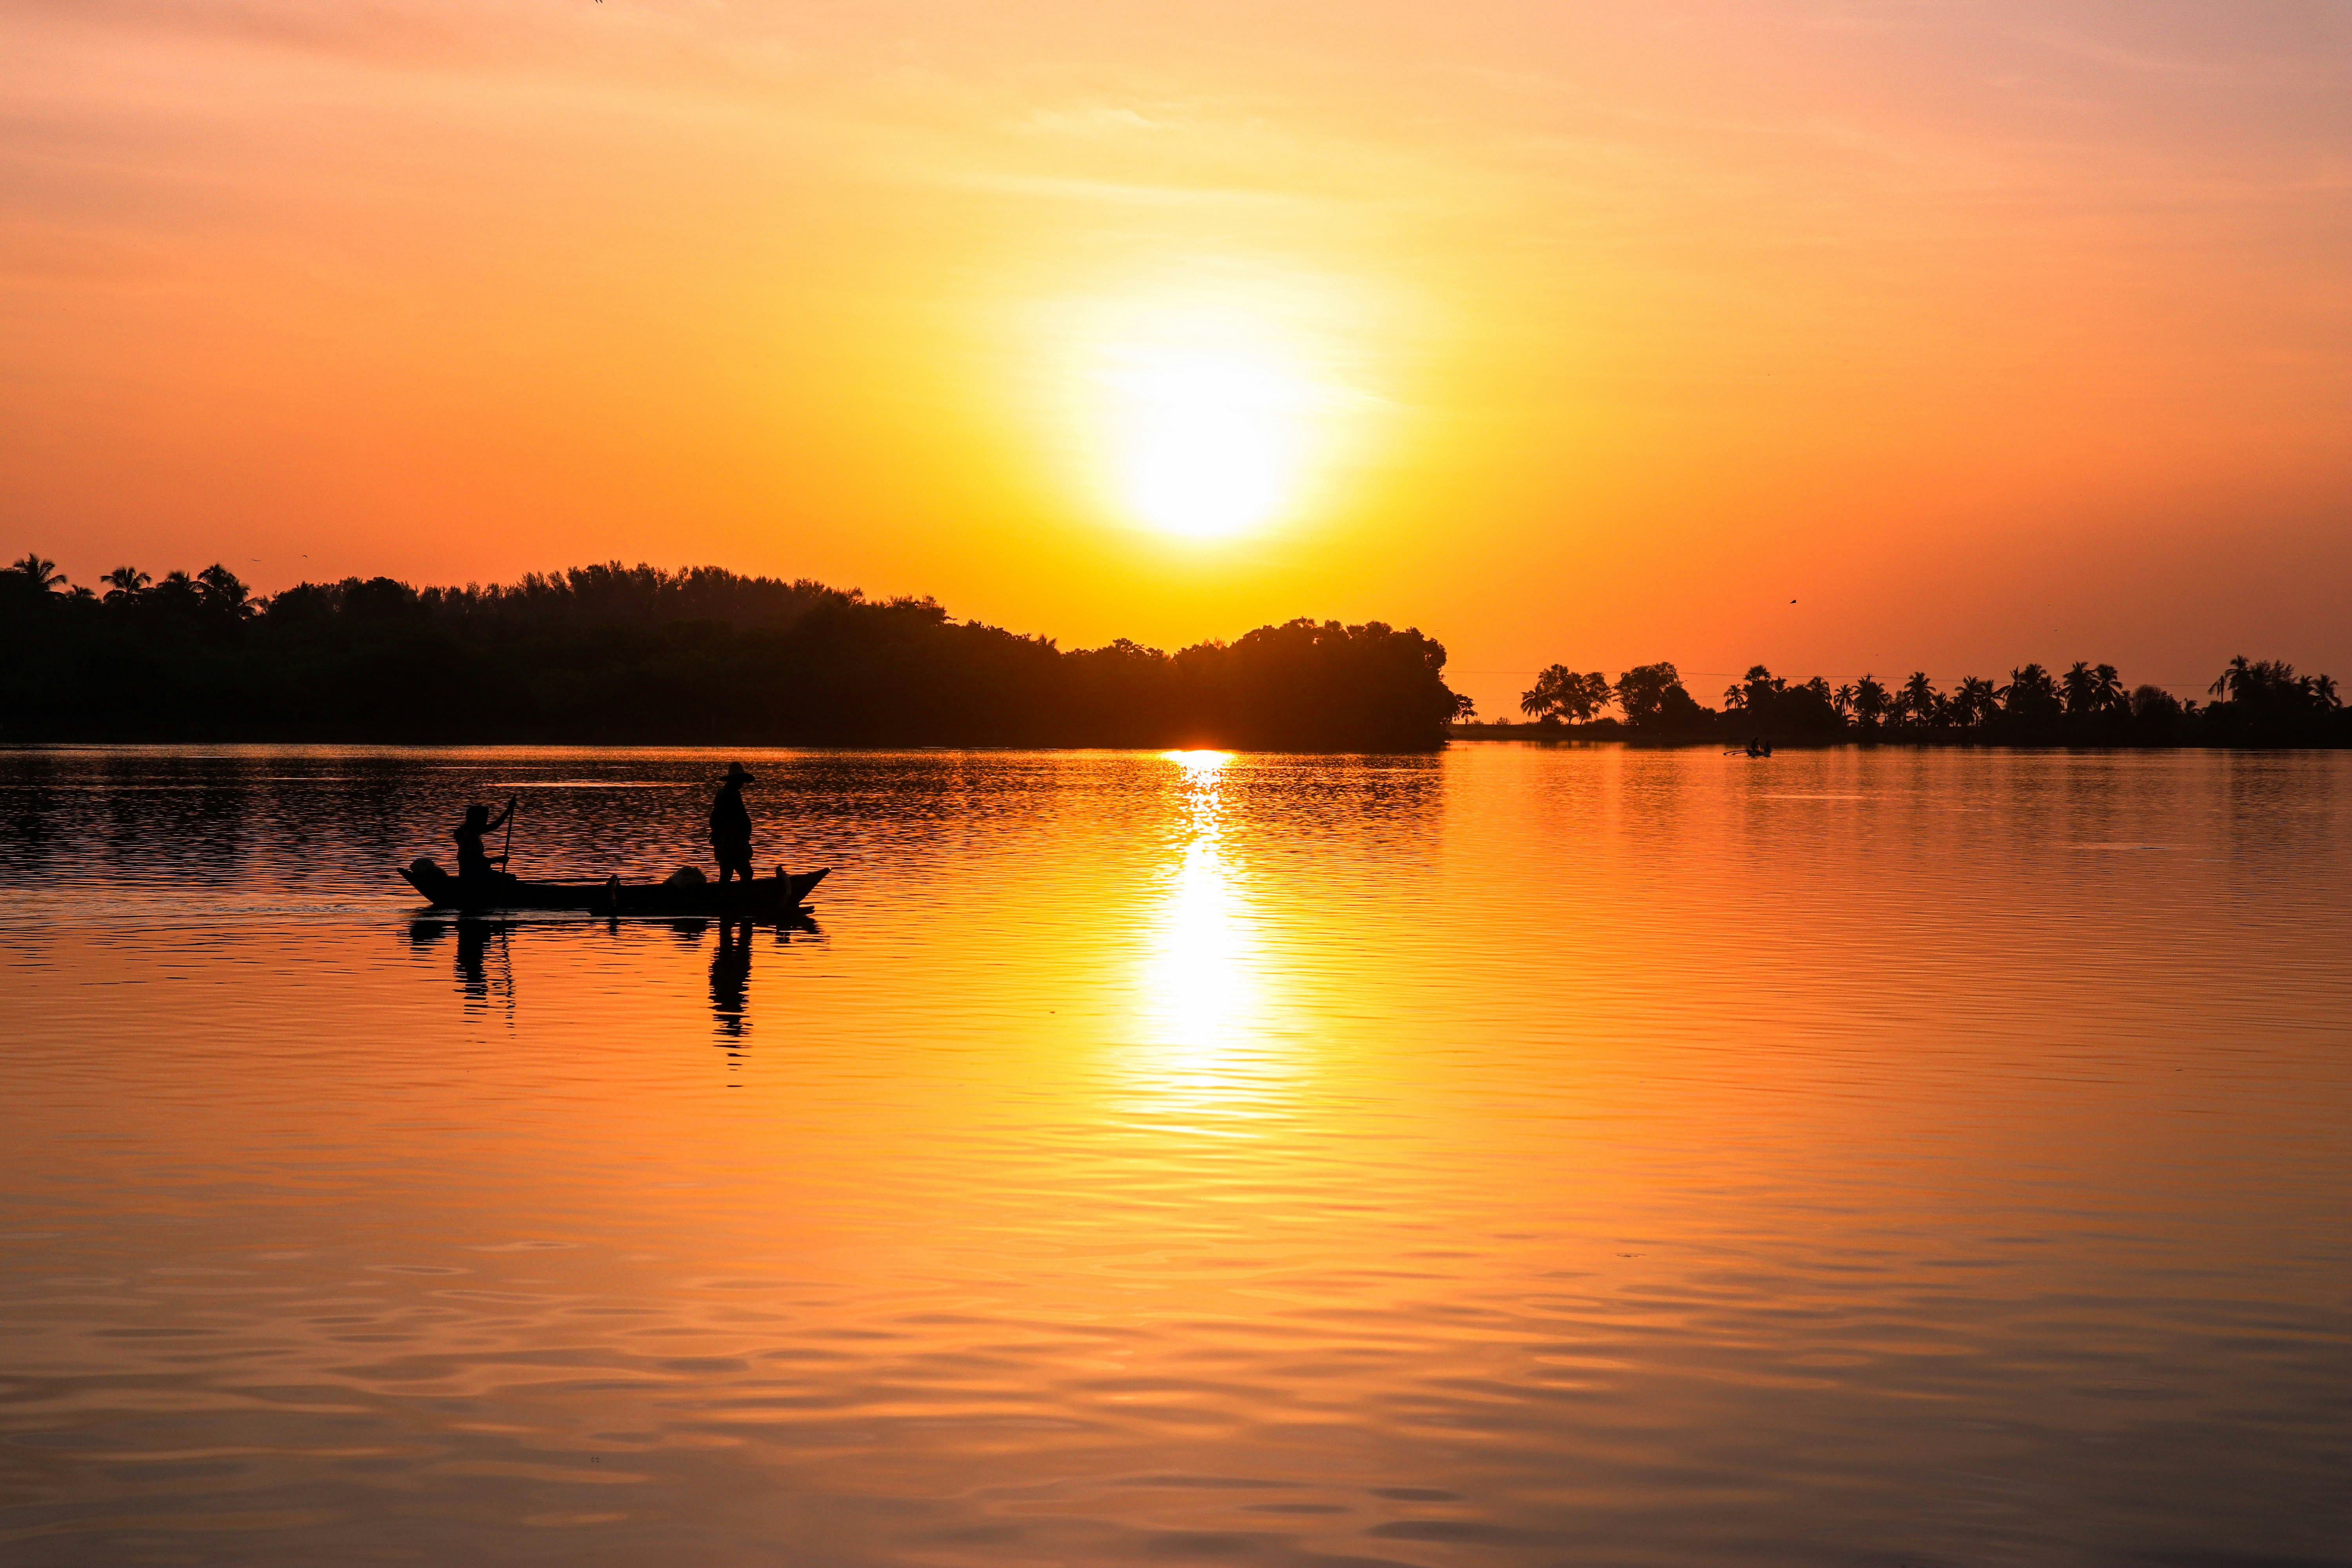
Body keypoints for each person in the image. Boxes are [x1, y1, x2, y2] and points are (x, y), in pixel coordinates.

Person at [709, 762, 756, 887]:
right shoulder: (729, 795)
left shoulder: (726, 793)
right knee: (747, 874)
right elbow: (729, 821)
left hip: (726, 845)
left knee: (726, 876)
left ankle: (723, 896)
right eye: (740, 780)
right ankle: (741, 896)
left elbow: (715, 819)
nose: (742, 783)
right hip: (732, 845)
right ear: (735, 780)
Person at [453, 798, 516, 883]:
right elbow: (475, 862)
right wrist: (499, 860)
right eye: (484, 819)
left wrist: (509, 809)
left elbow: (494, 826)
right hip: (474, 876)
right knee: (509, 880)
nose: (486, 821)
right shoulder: (470, 836)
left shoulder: (475, 831)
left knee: (511, 877)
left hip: (481, 873)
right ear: (477, 820)